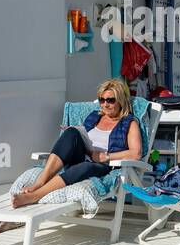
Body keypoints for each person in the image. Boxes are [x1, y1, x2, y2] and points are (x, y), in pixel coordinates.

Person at [10, 78, 142, 208]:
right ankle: (40, 182)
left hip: (101, 165)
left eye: (110, 100)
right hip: (81, 156)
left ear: (120, 100)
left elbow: (136, 153)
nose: (105, 104)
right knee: (72, 132)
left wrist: (106, 157)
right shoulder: (95, 116)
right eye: (102, 100)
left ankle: (35, 196)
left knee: (85, 166)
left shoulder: (129, 123)